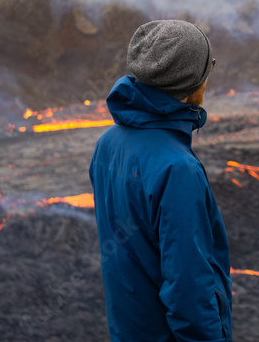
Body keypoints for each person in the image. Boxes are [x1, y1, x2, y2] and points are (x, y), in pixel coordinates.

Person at [90, 20, 232, 342]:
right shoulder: (178, 169)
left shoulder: (107, 144)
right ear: (190, 82)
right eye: (205, 72)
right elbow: (189, 292)